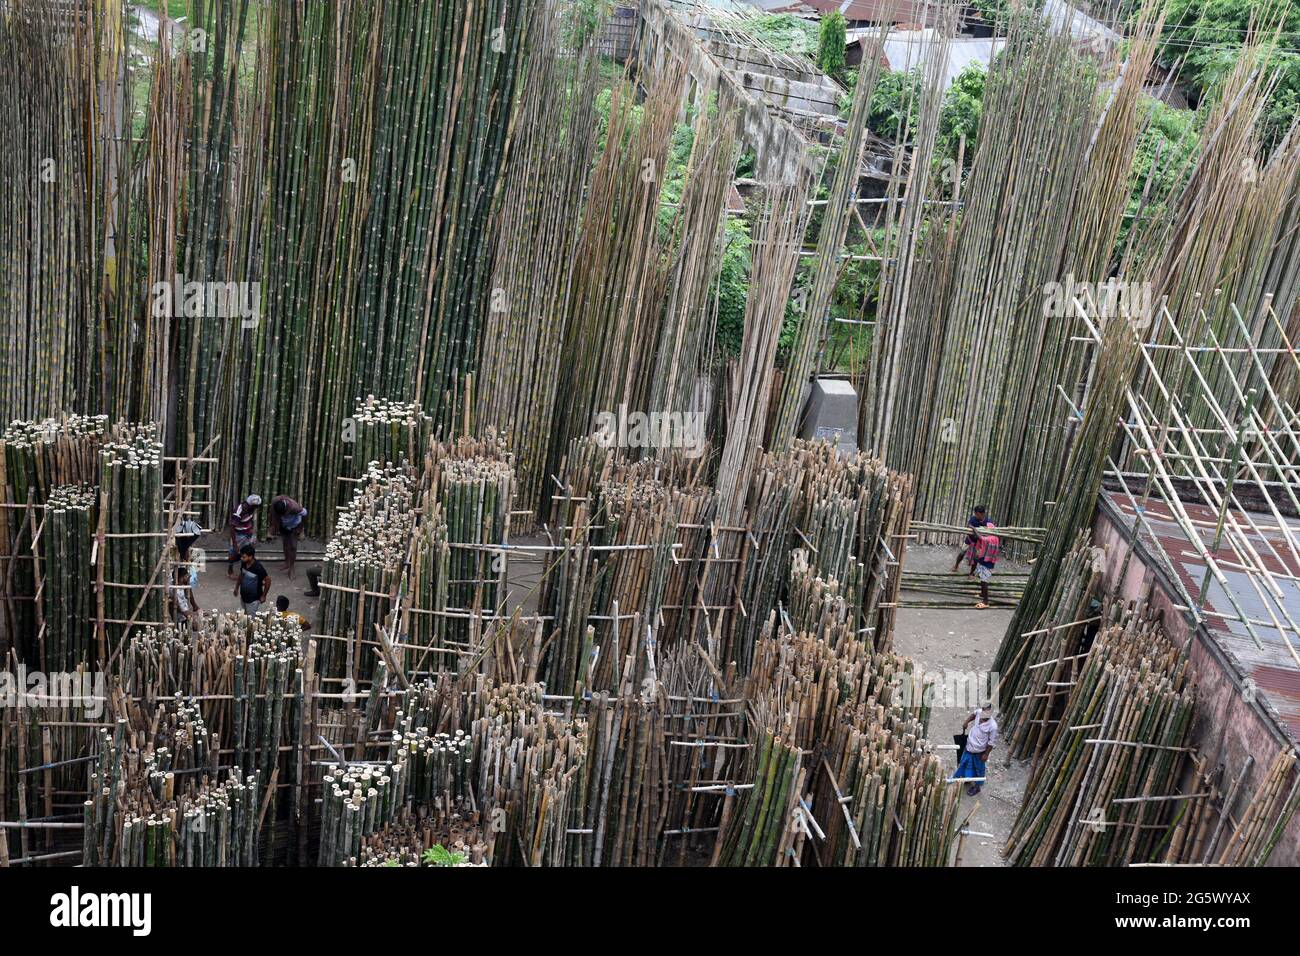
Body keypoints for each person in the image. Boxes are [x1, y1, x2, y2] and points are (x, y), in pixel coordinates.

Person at [956, 704, 998, 796]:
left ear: (991, 713)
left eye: (987, 712)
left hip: (979, 751)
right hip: (969, 745)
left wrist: (986, 754)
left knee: (978, 769)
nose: (984, 713)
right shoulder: (979, 713)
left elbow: (991, 743)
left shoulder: (993, 726)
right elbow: (974, 714)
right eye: (983, 710)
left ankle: (977, 786)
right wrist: (966, 722)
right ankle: (967, 778)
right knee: (965, 763)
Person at [269, 495, 308, 579]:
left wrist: (301, 528)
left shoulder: (294, 507)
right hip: (283, 526)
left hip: (294, 526)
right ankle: (287, 562)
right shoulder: (275, 503)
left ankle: (292, 567)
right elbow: (272, 514)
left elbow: (305, 514)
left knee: (293, 546)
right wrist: (273, 526)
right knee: (286, 543)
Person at [228, 495, 262, 579]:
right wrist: (235, 544)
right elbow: (232, 528)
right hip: (239, 535)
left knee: (249, 552)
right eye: (255, 506)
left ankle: (247, 571)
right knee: (236, 553)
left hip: (248, 533)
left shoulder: (250, 508)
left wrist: (251, 529)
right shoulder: (239, 512)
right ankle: (230, 569)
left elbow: (248, 519)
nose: (256, 508)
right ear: (250, 504)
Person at [234, 544, 271, 615]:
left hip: (253, 600)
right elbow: (241, 575)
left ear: (250, 557)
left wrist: (264, 595)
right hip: (243, 597)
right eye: (241, 556)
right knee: (245, 615)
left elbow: (268, 580)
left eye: (243, 557)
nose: (241, 558)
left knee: (251, 619)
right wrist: (236, 587)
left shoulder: (258, 567)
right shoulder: (244, 563)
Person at [951, 505, 989, 573]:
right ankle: (956, 566)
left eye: (977, 514)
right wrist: (972, 528)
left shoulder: (988, 521)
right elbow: (968, 525)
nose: (976, 515)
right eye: (975, 514)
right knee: (962, 553)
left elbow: (989, 532)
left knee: (976, 558)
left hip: (979, 543)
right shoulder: (973, 519)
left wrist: (974, 529)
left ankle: (971, 574)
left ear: (982, 514)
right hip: (970, 539)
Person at [972, 524, 1001, 609]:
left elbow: (982, 538)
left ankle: (986, 601)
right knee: (982, 579)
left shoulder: (993, 538)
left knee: (984, 581)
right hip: (984, 560)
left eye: (986, 528)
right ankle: (982, 593)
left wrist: (974, 528)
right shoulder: (992, 537)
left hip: (987, 562)